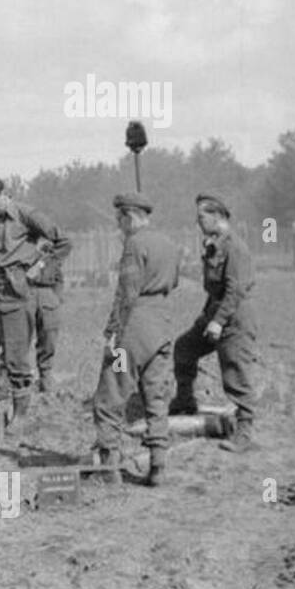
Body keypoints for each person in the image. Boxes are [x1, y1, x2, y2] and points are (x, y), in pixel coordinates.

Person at [0, 177, 69, 423]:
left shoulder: (26, 214)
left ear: (5, 194)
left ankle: (20, 416)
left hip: (15, 288)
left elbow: (63, 241)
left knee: (15, 355)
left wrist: (41, 265)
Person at [92, 194, 180, 485]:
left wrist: (112, 334)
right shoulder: (168, 243)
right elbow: (174, 282)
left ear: (129, 217)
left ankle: (110, 468)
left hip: (133, 330)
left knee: (111, 394)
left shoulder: (133, 245)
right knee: (156, 397)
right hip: (162, 327)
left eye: (119, 220)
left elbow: (127, 293)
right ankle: (158, 466)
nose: (119, 227)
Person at [171, 193, 258, 453]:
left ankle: (244, 431)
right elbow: (214, 290)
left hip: (235, 318)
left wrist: (218, 322)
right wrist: (207, 317)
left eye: (201, 217)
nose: (198, 222)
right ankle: (185, 401)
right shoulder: (214, 244)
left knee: (235, 371)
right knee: (184, 348)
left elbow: (235, 290)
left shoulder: (235, 247)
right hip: (216, 313)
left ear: (217, 216)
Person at [28, 241, 67, 395]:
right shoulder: (25, 253)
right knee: (19, 339)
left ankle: (45, 376)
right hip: (27, 295)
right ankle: (16, 380)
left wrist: (55, 299)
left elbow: (59, 280)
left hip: (48, 296)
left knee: (49, 338)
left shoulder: (53, 259)